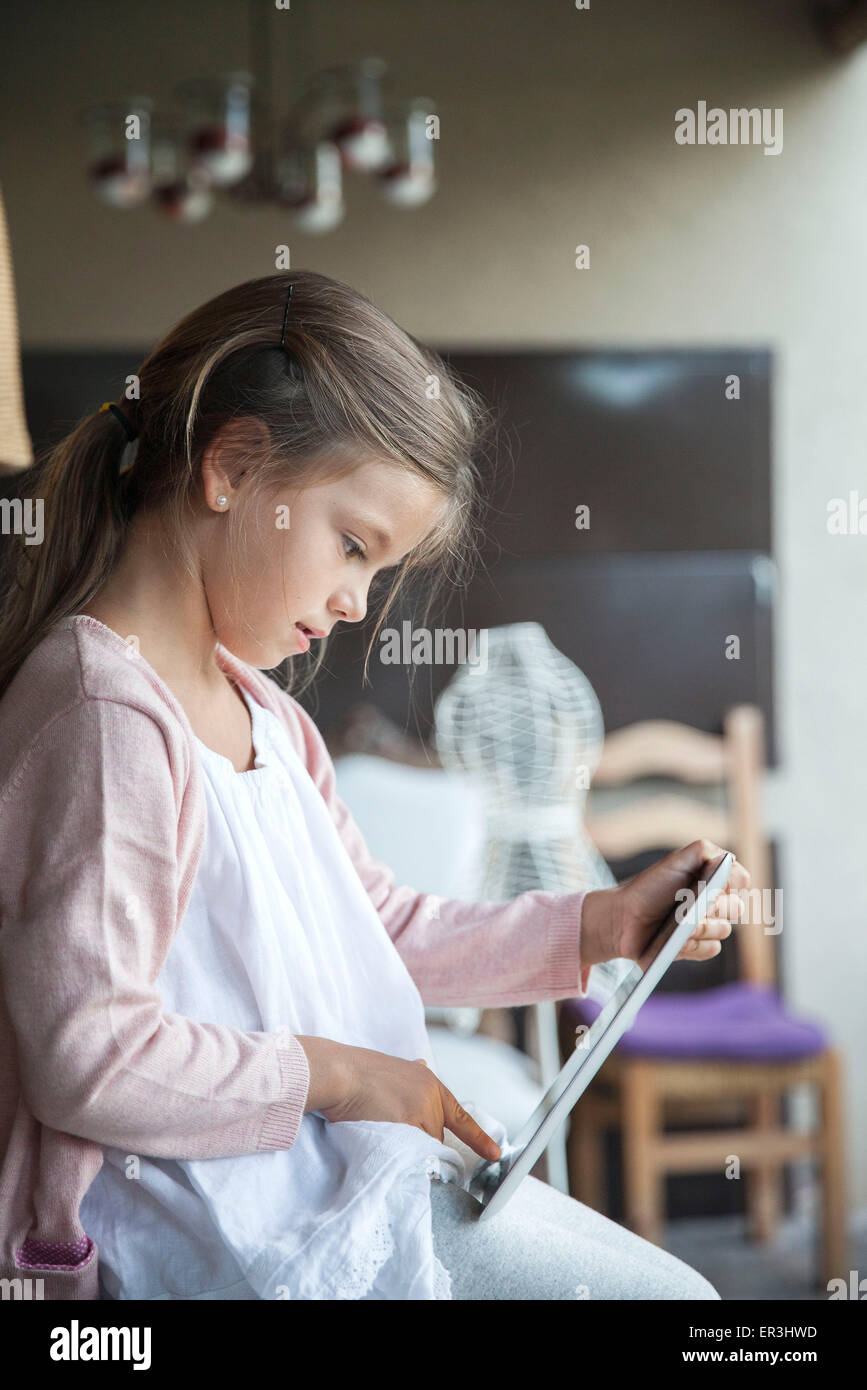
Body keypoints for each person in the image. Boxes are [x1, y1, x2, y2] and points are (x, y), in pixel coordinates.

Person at [0, 271, 748, 1300]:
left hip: (322, 1193)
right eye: (353, 546)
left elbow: (380, 924)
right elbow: (85, 1054)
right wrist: (343, 1075)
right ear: (232, 467)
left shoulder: (271, 719)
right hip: (215, 1243)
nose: (357, 601)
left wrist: (596, 927)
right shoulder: (105, 716)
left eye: (379, 570)